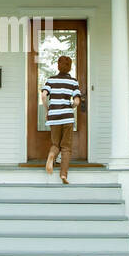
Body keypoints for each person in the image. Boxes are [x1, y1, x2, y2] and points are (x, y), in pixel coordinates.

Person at [41, 55, 82, 184]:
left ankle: (52, 154)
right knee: (66, 147)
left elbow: (43, 96)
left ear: (58, 66)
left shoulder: (51, 80)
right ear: (69, 67)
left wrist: (48, 110)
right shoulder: (73, 82)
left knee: (55, 144)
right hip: (67, 116)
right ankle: (63, 174)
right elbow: (76, 101)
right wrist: (72, 106)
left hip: (54, 116)